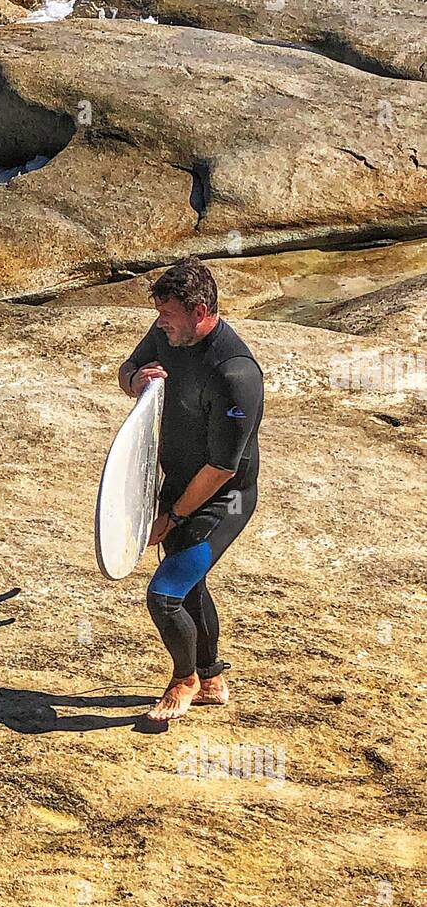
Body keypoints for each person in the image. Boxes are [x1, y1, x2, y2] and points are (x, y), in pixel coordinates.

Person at [116, 258, 264, 722]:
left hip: (223, 499)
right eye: (159, 314)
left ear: (200, 311)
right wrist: (135, 381)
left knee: (165, 595)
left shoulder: (236, 374)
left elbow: (222, 467)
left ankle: (184, 679)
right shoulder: (168, 334)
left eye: (169, 315)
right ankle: (211, 676)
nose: (160, 324)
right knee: (191, 584)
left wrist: (173, 516)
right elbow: (130, 368)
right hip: (177, 484)